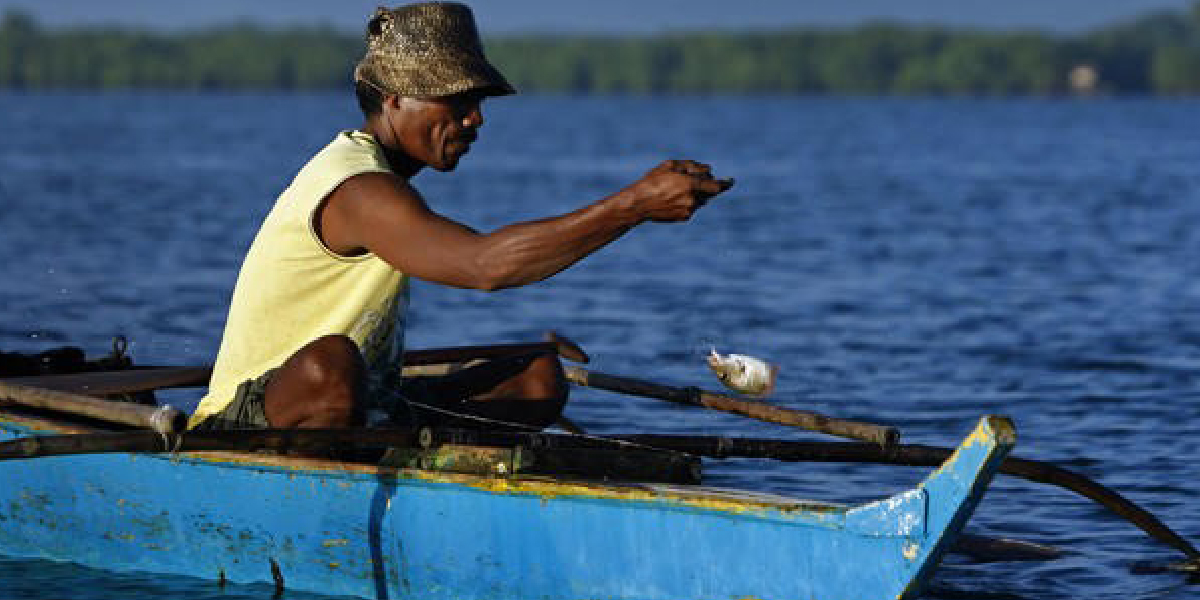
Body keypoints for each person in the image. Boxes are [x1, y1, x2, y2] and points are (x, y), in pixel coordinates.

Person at [187, 2, 733, 433]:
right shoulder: (358, 188)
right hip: (256, 416)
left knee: (539, 378)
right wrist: (634, 205)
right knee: (331, 367)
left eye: (478, 102)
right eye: (457, 101)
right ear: (394, 100)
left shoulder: (386, 179)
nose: (475, 119)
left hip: (368, 402)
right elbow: (483, 266)